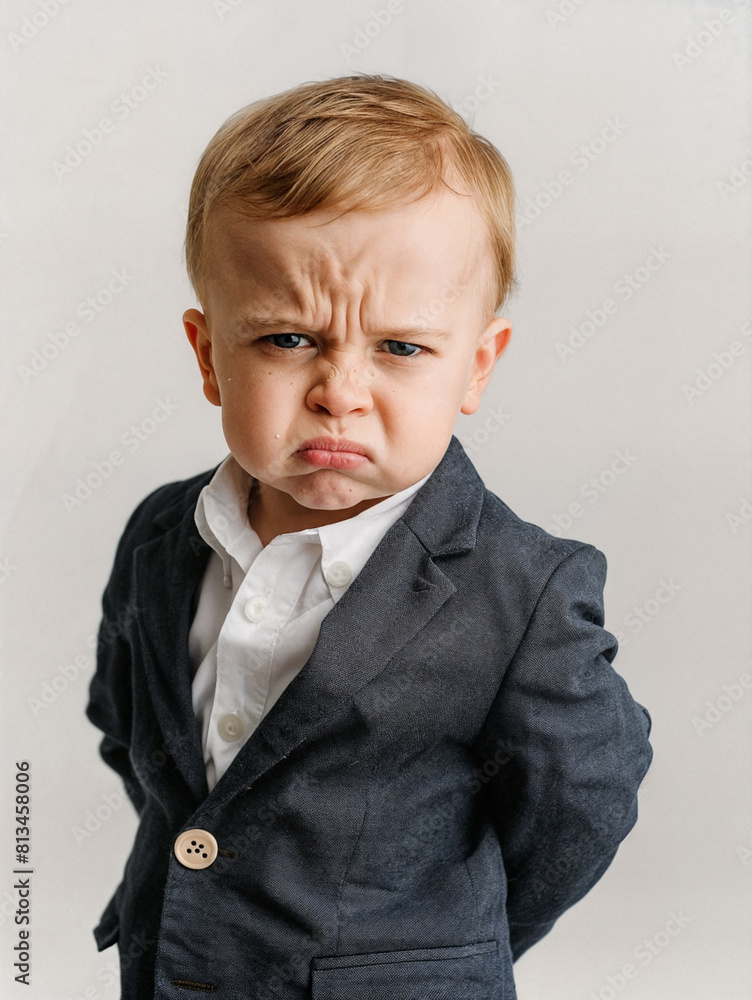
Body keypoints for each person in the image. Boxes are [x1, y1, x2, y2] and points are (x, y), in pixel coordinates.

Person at [86, 74, 652, 999]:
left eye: (400, 347)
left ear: (476, 367)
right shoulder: (162, 533)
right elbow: (133, 732)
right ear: (208, 355)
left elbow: (579, 806)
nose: (340, 392)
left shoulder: (520, 592)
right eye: (287, 340)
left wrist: (446, 940)